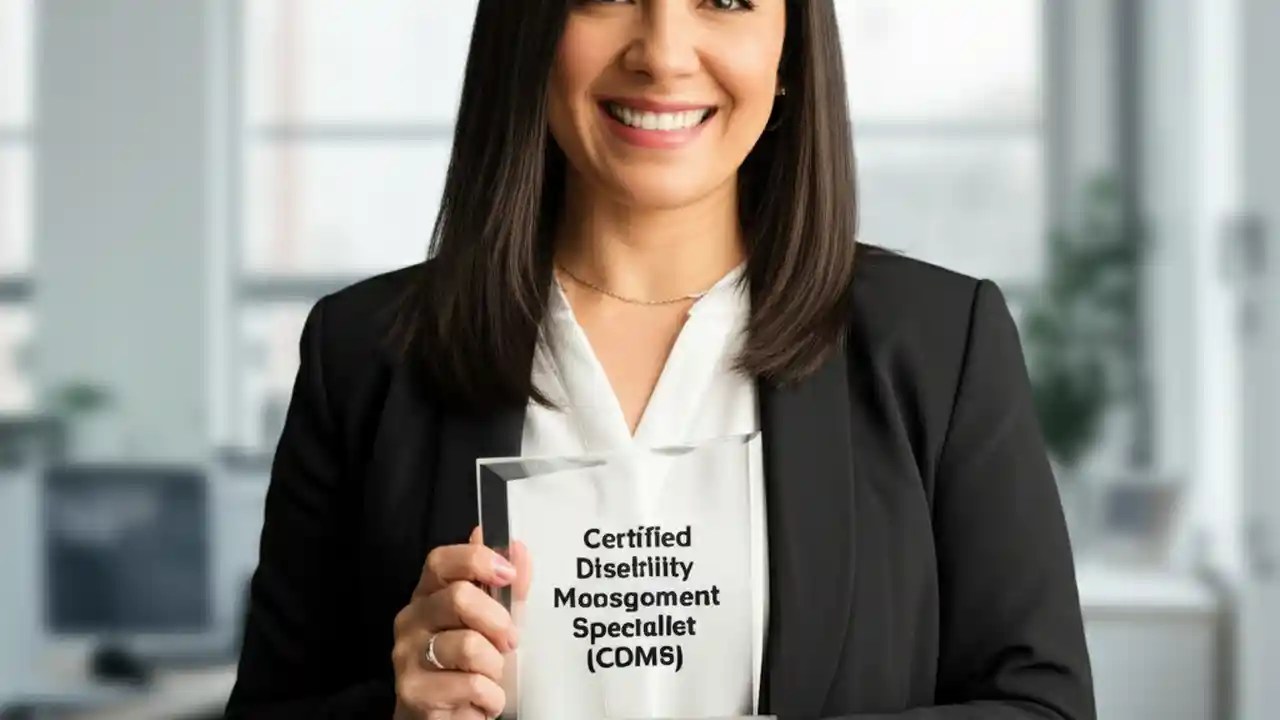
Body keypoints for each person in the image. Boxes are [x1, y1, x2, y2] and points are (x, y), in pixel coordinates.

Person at [225, 1, 1096, 718]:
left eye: (723, 1)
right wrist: (396, 709)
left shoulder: (941, 345)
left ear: (790, 45)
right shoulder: (365, 354)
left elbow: (1041, 708)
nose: (663, 54)